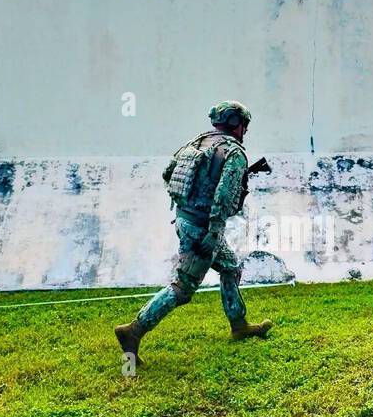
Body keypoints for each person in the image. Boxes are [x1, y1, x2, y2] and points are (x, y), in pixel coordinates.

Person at [115, 101, 271, 365]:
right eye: (244, 124)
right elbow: (224, 194)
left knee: (231, 268)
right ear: (236, 123)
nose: (245, 130)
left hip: (185, 219)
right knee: (184, 287)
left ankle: (239, 324)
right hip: (204, 228)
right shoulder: (233, 153)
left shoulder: (196, 144)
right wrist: (214, 230)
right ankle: (133, 331)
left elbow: (168, 174)